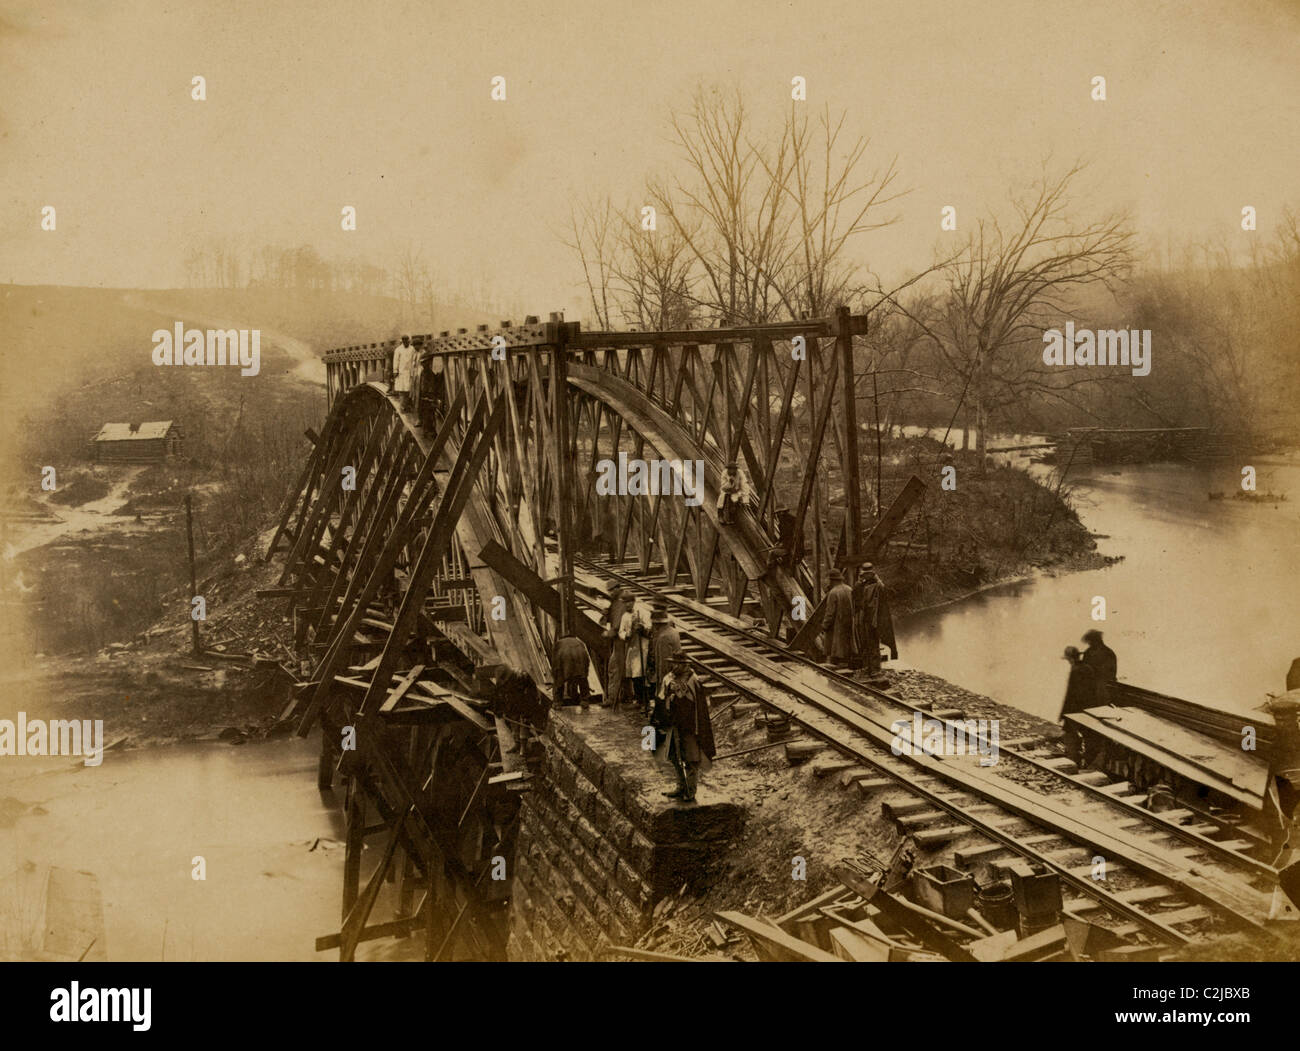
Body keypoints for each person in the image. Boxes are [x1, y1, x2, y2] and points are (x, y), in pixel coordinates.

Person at [660, 649, 716, 803]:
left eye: (678, 664)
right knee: (673, 755)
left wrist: (677, 692)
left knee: (691, 759)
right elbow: (662, 696)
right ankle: (680, 786)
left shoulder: (693, 679)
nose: (674, 667)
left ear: (684, 665)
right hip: (674, 723)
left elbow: (695, 704)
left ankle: (690, 791)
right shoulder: (669, 677)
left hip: (689, 726)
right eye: (673, 663)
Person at [853, 563, 897, 676]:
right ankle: (870, 668)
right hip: (868, 619)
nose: (866, 576)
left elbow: (858, 601)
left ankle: (874, 669)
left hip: (871, 619)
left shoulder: (874, 586)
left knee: (871, 644)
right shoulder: (869, 585)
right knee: (868, 644)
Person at [647, 605, 681, 728]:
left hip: (669, 677)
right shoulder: (673, 632)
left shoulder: (663, 638)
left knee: (664, 706)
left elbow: (663, 665)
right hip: (677, 673)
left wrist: (661, 686)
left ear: (656, 625)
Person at [619, 596, 653, 713]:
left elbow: (649, 627)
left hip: (642, 646)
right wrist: (625, 635)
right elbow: (621, 631)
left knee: (640, 674)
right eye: (625, 603)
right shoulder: (624, 616)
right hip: (631, 647)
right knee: (633, 674)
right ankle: (639, 700)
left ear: (633, 601)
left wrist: (642, 627)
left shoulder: (643, 613)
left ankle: (644, 701)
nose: (627, 605)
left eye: (629, 602)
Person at [820, 568, 857, 667]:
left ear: (832, 580)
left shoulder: (833, 593)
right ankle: (846, 663)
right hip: (849, 623)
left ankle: (836, 666)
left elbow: (830, 613)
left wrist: (824, 625)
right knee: (847, 644)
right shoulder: (850, 589)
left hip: (837, 625)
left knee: (836, 647)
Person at [602, 586, 630, 708]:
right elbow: (605, 620)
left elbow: (617, 626)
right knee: (618, 669)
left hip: (621, 642)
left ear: (617, 589)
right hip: (619, 642)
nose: (610, 592)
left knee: (616, 669)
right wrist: (605, 614)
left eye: (611, 590)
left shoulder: (620, 604)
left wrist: (608, 633)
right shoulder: (615, 602)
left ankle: (614, 698)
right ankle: (621, 696)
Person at [1058, 645, 1097, 719]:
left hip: (1076, 707)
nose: (1069, 662)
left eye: (1068, 659)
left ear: (1071, 659)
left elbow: (1070, 694)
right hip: (1089, 707)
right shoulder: (1088, 668)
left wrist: (1062, 714)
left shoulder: (1075, 671)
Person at [554, 634, 592, 709]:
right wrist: (585, 672)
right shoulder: (579, 642)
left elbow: (555, 666)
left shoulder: (559, 643)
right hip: (581, 654)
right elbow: (587, 662)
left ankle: (557, 703)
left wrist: (556, 675)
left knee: (559, 678)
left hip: (565, 654)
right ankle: (585, 700)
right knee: (582, 677)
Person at [1080, 629, 1117, 706]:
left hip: (1100, 687)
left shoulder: (1106, 653)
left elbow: (1108, 672)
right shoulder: (1089, 651)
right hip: (1095, 687)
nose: (1089, 644)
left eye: (1090, 641)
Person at [717, 461, 748, 526]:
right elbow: (723, 487)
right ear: (728, 469)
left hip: (736, 490)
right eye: (730, 469)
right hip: (726, 490)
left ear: (736, 469)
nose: (732, 471)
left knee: (735, 500)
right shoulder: (724, 473)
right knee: (722, 498)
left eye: (734, 469)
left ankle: (731, 518)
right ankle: (720, 515)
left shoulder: (740, 473)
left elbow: (744, 485)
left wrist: (745, 499)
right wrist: (730, 483)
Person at [391, 334, 416, 412]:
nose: (406, 342)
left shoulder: (412, 349)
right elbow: (396, 360)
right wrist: (395, 371)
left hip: (409, 372)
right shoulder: (398, 349)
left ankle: (408, 406)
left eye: (407, 340)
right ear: (402, 341)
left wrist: (414, 370)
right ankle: (402, 407)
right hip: (401, 372)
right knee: (402, 390)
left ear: (409, 341)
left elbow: (414, 359)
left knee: (409, 390)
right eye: (404, 341)